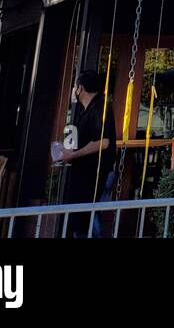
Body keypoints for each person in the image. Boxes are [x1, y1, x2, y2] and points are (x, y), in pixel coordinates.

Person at [60, 71, 118, 238]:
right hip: (87, 172)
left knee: (90, 216)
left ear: (80, 88)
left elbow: (103, 142)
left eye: (75, 86)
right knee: (85, 216)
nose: (73, 90)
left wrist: (73, 155)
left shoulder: (100, 107)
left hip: (97, 172)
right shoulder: (87, 109)